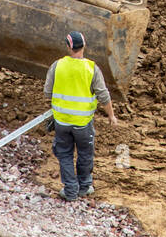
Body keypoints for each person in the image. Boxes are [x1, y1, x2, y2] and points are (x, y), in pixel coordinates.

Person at [44, 30, 118, 201]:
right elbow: (103, 95)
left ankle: (70, 191)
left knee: (64, 154)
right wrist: (111, 116)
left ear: (68, 47)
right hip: (83, 123)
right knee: (85, 153)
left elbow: (47, 93)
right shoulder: (91, 68)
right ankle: (84, 187)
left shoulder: (57, 65)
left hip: (61, 122)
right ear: (84, 45)